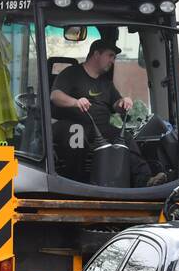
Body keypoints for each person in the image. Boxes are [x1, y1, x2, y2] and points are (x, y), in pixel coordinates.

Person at [50, 40, 167, 187]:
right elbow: (55, 96)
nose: (113, 60)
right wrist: (75, 102)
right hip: (72, 124)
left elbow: (116, 105)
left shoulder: (106, 83)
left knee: (125, 138)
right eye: (110, 55)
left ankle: (144, 180)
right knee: (76, 133)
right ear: (96, 54)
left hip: (101, 128)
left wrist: (123, 102)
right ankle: (74, 183)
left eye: (114, 57)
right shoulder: (72, 73)